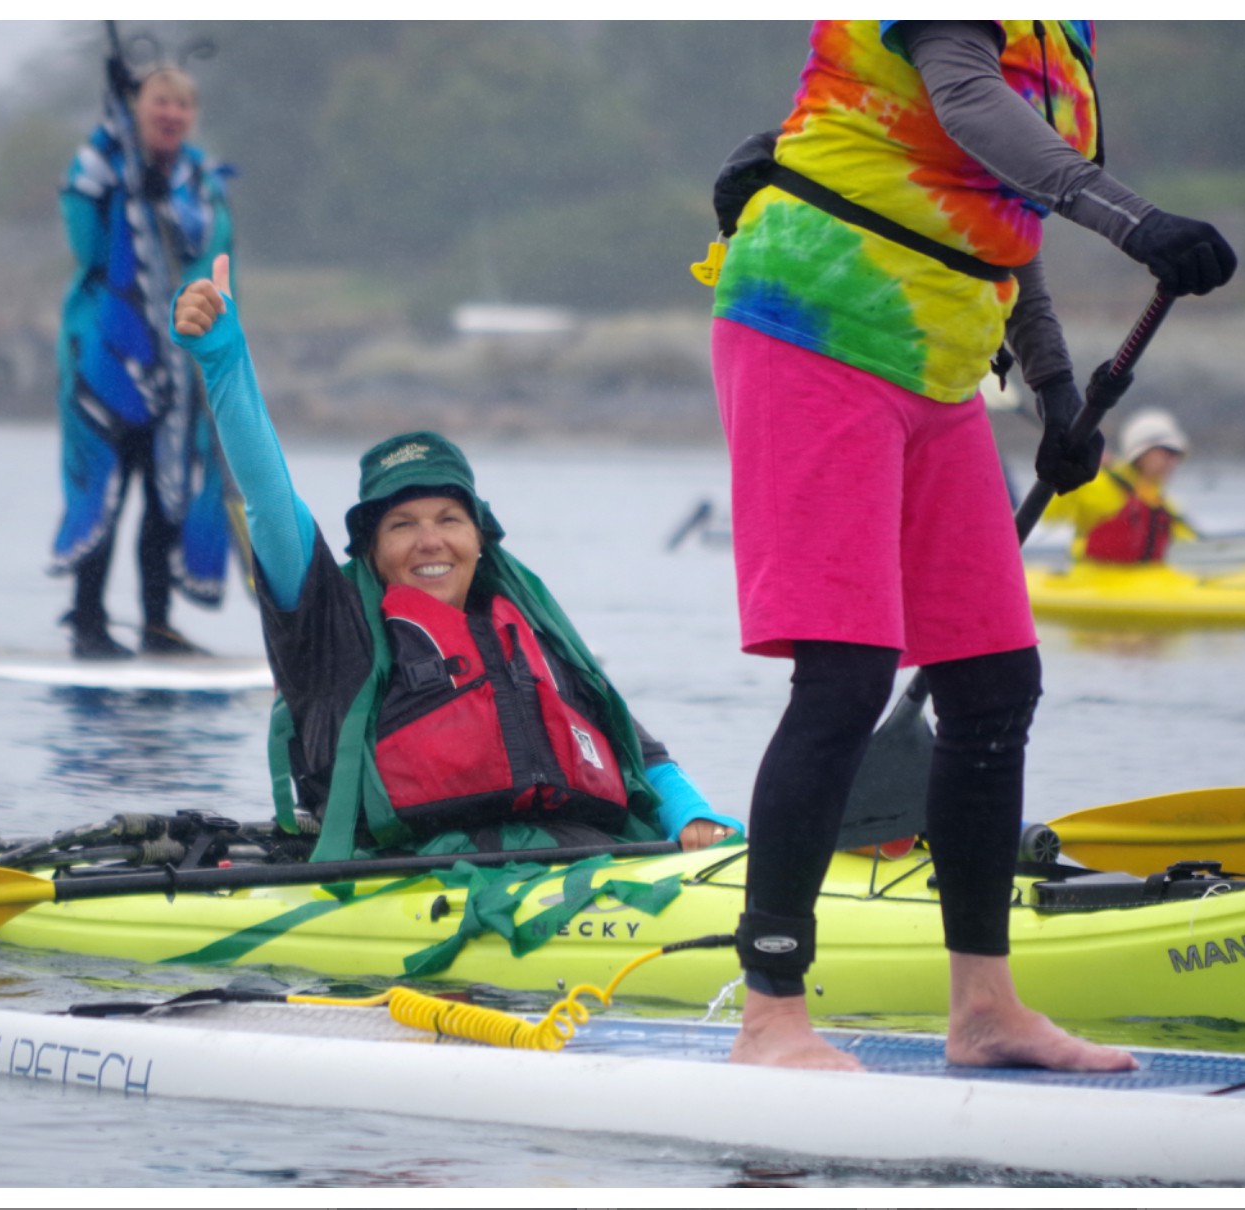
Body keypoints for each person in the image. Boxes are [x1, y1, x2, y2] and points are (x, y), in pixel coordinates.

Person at [706, 21, 1235, 1071]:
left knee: (994, 681)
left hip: (939, 366)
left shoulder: (1063, 35)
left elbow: (1001, 213)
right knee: (847, 674)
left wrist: (1055, 392)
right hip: (814, 323)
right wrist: (1135, 223)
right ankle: (770, 1015)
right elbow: (966, 106)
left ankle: (984, 1010)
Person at [171, 256, 742, 858]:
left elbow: (636, 752)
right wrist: (224, 361)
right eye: (402, 525)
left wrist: (693, 814)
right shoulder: (334, 629)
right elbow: (268, 500)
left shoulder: (532, 633)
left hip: (579, 854)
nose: (430, 541)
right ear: (371, 549)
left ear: (479, 538)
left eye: (449, 520)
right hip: (414, 873)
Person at [51, 64, 235, 659]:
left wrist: (168, 205)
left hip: (176, 368)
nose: (171, 114)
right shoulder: (99, 163)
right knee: (102, 490)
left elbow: (209, 250)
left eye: (182, 106)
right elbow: (88, 246)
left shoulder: (198, 178)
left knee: (168, 497)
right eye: (160, 102)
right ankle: (87, 622)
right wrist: (129, 190)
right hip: (104, 361)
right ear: (137, 106)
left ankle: (158, 626)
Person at [1040, 408, 1196, 564]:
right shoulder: (1095, 483)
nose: (1172, 461)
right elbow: (1049, 515)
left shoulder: (1162, 501)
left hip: (1141, 580)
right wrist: (1071, 470)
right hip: (1090, 578)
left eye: (1176, 455)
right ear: (1141, 453)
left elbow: (1189, 546)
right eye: (1167, 452)